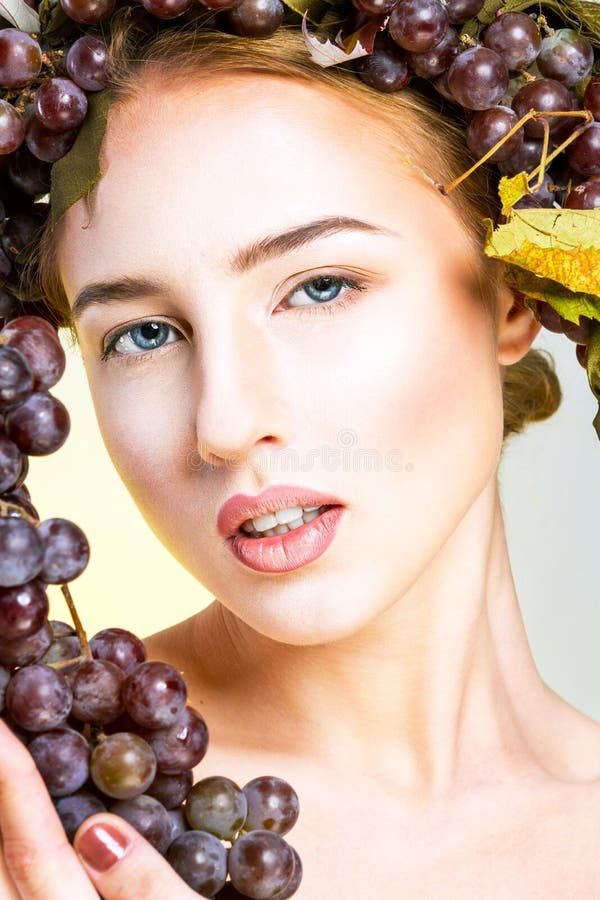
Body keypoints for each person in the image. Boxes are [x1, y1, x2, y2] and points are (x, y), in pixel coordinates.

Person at [1, 15, 599, 899]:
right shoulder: (36, 823)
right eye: (143, 334)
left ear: (512, 290)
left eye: (320, 287)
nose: (225, 423)